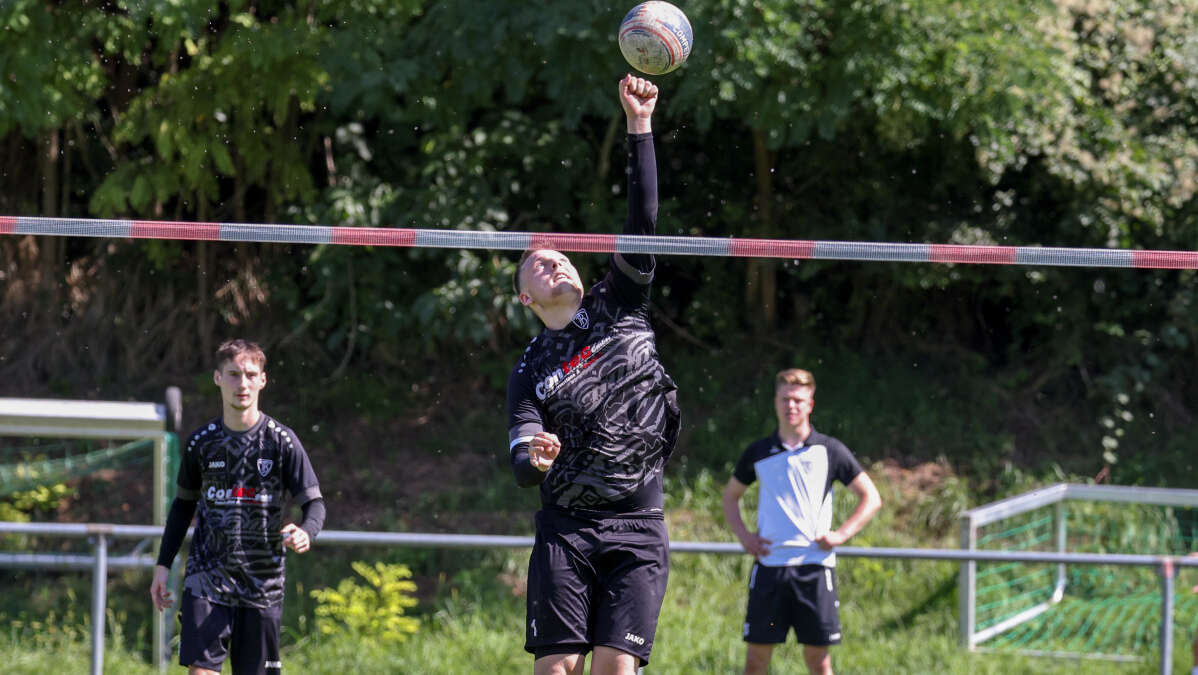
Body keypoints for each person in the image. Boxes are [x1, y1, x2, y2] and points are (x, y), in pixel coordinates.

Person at [506, 74, 681, 675]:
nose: (554, 263)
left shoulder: (621, 303)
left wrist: (639, 124)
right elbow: (521, 464)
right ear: (526, 298)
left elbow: (643, 218)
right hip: (567, 527)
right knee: (557, 668)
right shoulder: (529, 368)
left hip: (638, 523)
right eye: (539, 265)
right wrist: (536, 458)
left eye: (561, 257)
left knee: (614, 668)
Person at [149, 338, 326, 675]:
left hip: (262, 586)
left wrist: (307, 531)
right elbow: (183, 507)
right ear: (218, 378)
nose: (242, 383)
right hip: (207, 580)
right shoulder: (202, 443)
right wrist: (163, 565)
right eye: (233, 374)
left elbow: (314, 503)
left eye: (250, 374)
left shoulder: (282, 441)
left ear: (263, 380)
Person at [721, 368, 881, 675]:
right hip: (770, 568)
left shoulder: (829, 450)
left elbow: (871, 497)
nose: (791, 406)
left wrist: (841, 534)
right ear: (775, 402)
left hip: (814, 569)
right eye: (785, 399)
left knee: (819, 662)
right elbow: (730, 497)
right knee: (755, 662)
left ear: (810, 404)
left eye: (797, 400)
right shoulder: (758, 452)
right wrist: (745, 536)